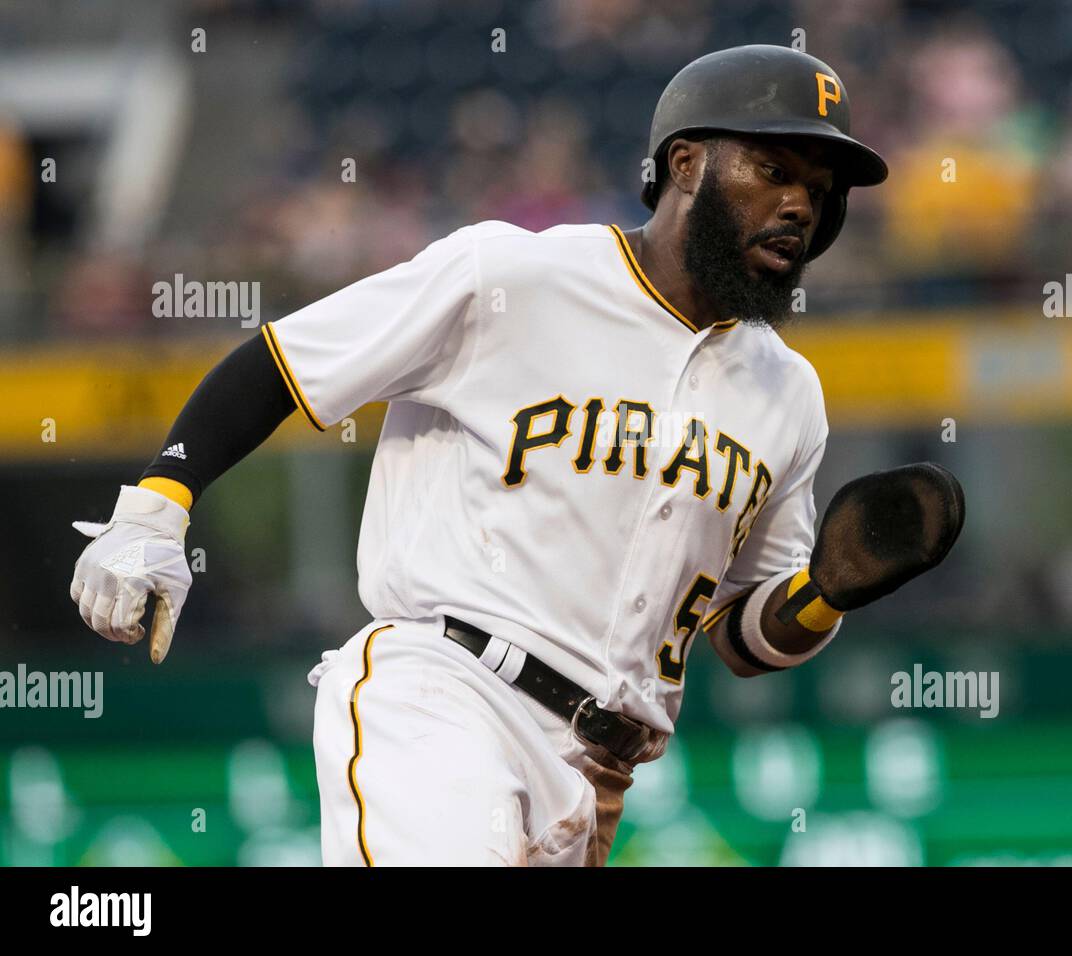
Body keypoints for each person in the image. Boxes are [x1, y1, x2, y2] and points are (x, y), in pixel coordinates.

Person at [68, 45, 964, 866]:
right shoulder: (513, 276)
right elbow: (285, 360)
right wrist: (159, 500)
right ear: (685, 163)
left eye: (822, 186)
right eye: (774, 169)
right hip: (444, 696)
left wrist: (824, 594)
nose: (801, 204)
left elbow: (736, 636)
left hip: (598, 773)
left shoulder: (787, 392)